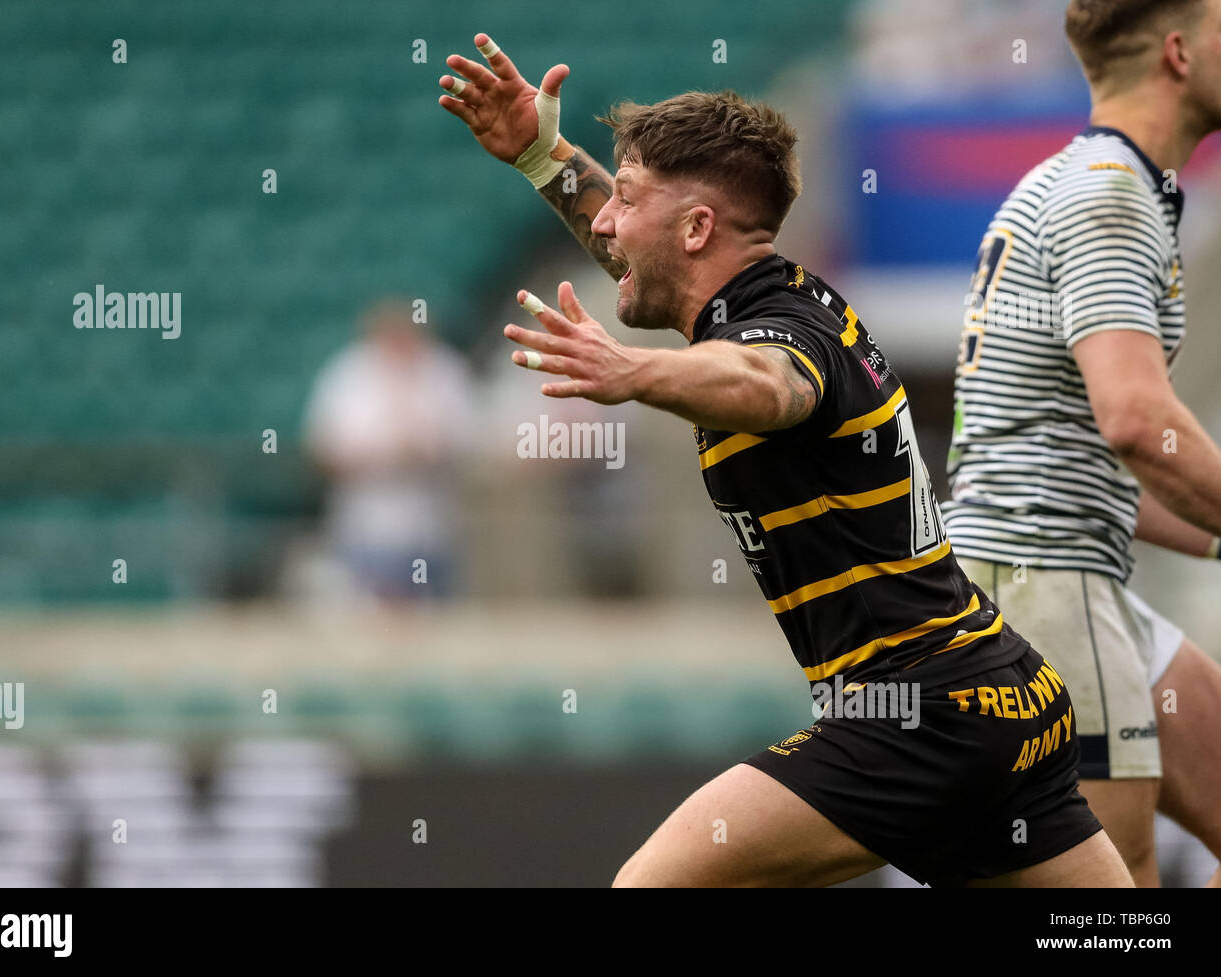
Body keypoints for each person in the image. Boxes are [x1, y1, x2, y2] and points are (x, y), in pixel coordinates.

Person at [436, 34, 1131, 886]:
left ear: (697, 227)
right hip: (1005, 694)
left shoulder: (776, 337)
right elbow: (650, 266)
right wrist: (545, 156)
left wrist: (632, 370)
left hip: (915, 709)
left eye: (622, 197)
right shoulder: (776, 298)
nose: (605, 222)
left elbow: (769, 387)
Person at [944, 0, 1221, 887]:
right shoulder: (1111, 198)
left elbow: (1088, 466)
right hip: (1046, 587)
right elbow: (1137, 422)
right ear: (1179, 52)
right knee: (1109, 908)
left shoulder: (1084, 180)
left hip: (1055, 570)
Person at [303, 299, 472, 603]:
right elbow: (325, 447)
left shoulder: (444, 373)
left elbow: (467, 442)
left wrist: (423, 450)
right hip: (366, 522)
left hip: (432, 524)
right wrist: (380, 455)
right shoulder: (348, 374)